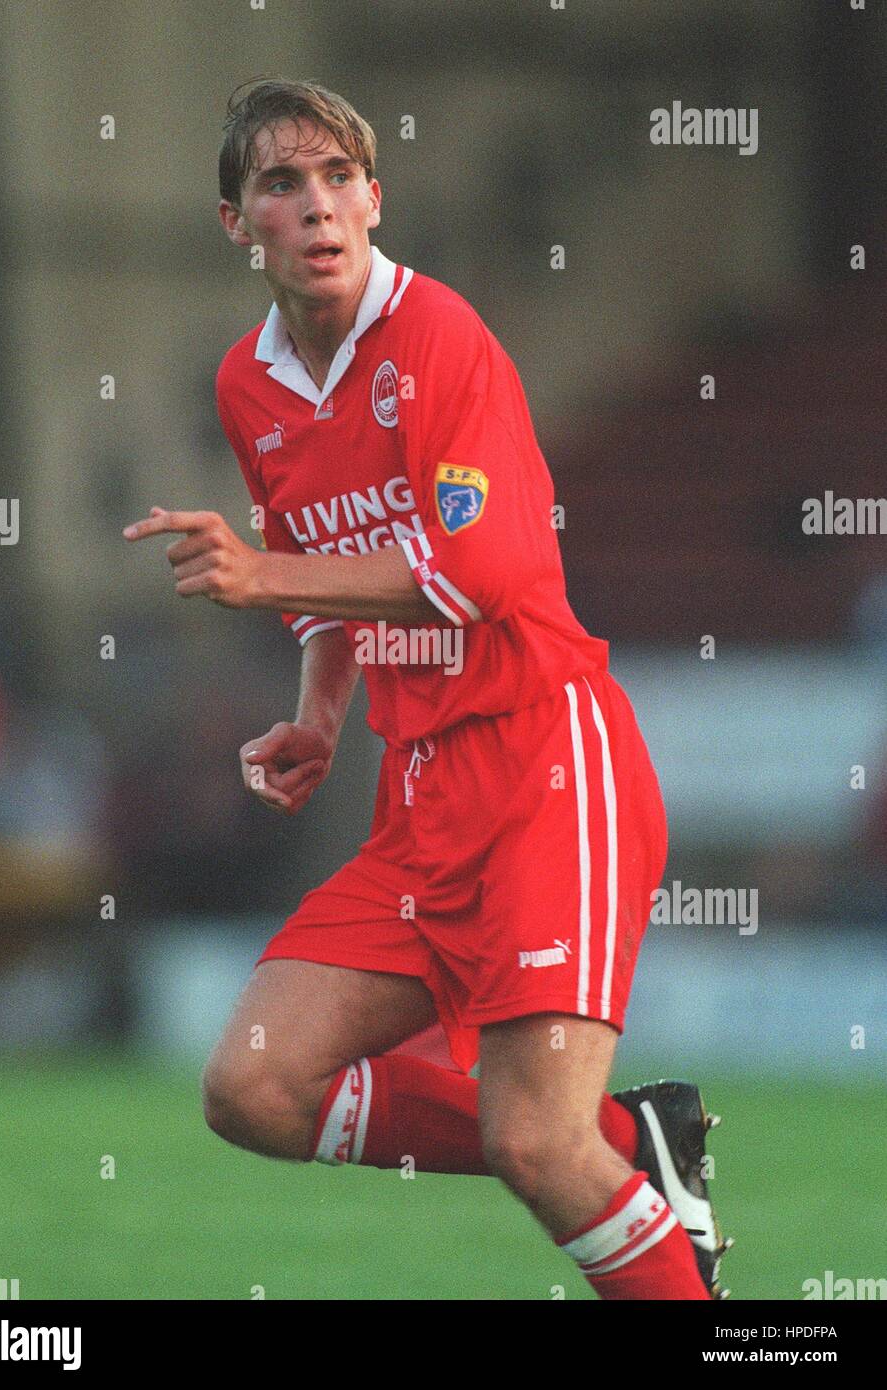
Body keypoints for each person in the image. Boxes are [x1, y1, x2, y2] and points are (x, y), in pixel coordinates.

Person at [124, 78, 729, 1300]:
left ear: (375, 199)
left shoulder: (438, 332)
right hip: (422, 796)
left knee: (531, 1141)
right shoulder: (250, 386)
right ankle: (634, 1146)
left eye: (340, 178)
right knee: (253, 1086)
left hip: (550, 766)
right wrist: (318, 713)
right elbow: (336, 567)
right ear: (236, 223)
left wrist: (257, 576)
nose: (318, 207)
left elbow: (487, 576)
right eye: (283, 185)